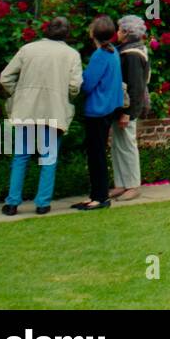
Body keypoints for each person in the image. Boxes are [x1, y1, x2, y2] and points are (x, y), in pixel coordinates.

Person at [0, 17, 83, 217]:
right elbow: (74, 86)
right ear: (67, 34)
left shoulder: (28, 49)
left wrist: (19, 93)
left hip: (27, 110)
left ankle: (12, 203)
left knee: (21, 157)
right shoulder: (72, 55)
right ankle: (42, 204)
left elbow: (5, 77)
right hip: (53, 111)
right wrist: (66, 98)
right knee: (48, 158)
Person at [73, 16, 124, 211]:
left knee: (96, 155)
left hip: (98, 109)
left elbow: (88, 84)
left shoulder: (100, 55)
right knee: (99, 152)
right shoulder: (113, 52)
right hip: (109, 107)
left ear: (93, 33)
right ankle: (97, 194)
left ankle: (99, 197)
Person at [110, 15, 151, 201]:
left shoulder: (133, 54)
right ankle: (121, 183)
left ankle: (133, 184)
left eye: (119, 29)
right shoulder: (127, 50)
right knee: (118, 145)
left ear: (126, 32)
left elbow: (136, 87)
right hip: (121, 105)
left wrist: (128, 113)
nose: (117, 33)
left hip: (127, 106)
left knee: (127, 145)